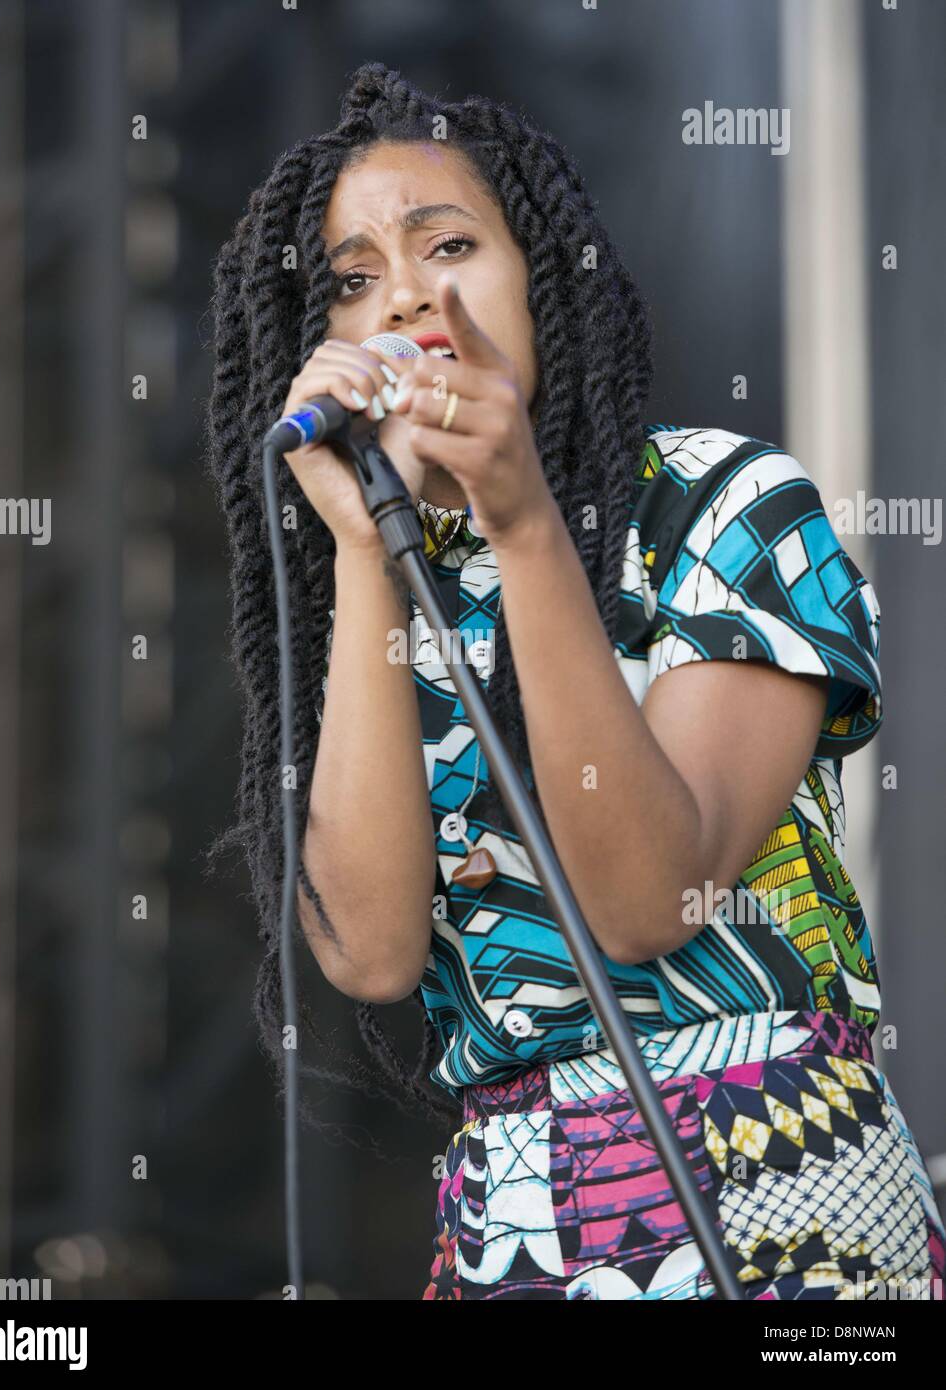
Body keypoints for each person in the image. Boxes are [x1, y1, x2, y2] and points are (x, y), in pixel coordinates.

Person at [205, 62, 945, 1301]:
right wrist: (356, 549)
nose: (404, 294)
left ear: (544, 278)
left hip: (775, 1178)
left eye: (448, 243)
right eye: (349, 279)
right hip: (518, 1209)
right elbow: (374, 951)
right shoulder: (374, 588)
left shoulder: (722, 504)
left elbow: (649, 903)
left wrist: (523, 520)